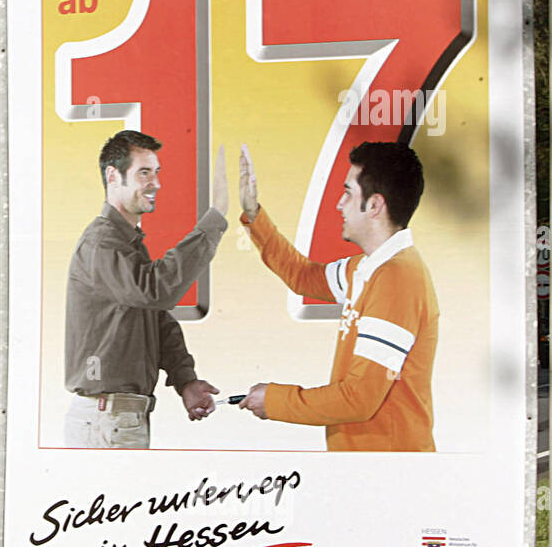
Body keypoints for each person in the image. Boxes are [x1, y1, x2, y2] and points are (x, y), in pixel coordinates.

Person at [238, 142, 438, 452]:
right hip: (365, 464)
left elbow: (359, 399)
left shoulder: (396, 278)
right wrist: (254, 214)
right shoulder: (368, 268)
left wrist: (275, 401)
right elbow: (302, 276)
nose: (339, 204)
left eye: (347, 193)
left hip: (387, 469)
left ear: (374, 206)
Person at [64, 130, 229, 449]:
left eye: (157, 172)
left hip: (116, 419)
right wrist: (215, 219)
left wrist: (187, 382)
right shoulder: (103, 245)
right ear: (113, 176)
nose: (156, 183)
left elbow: (156, 318)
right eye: (144, 172)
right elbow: (156, 291)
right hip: (108, 421)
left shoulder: (125, 245)